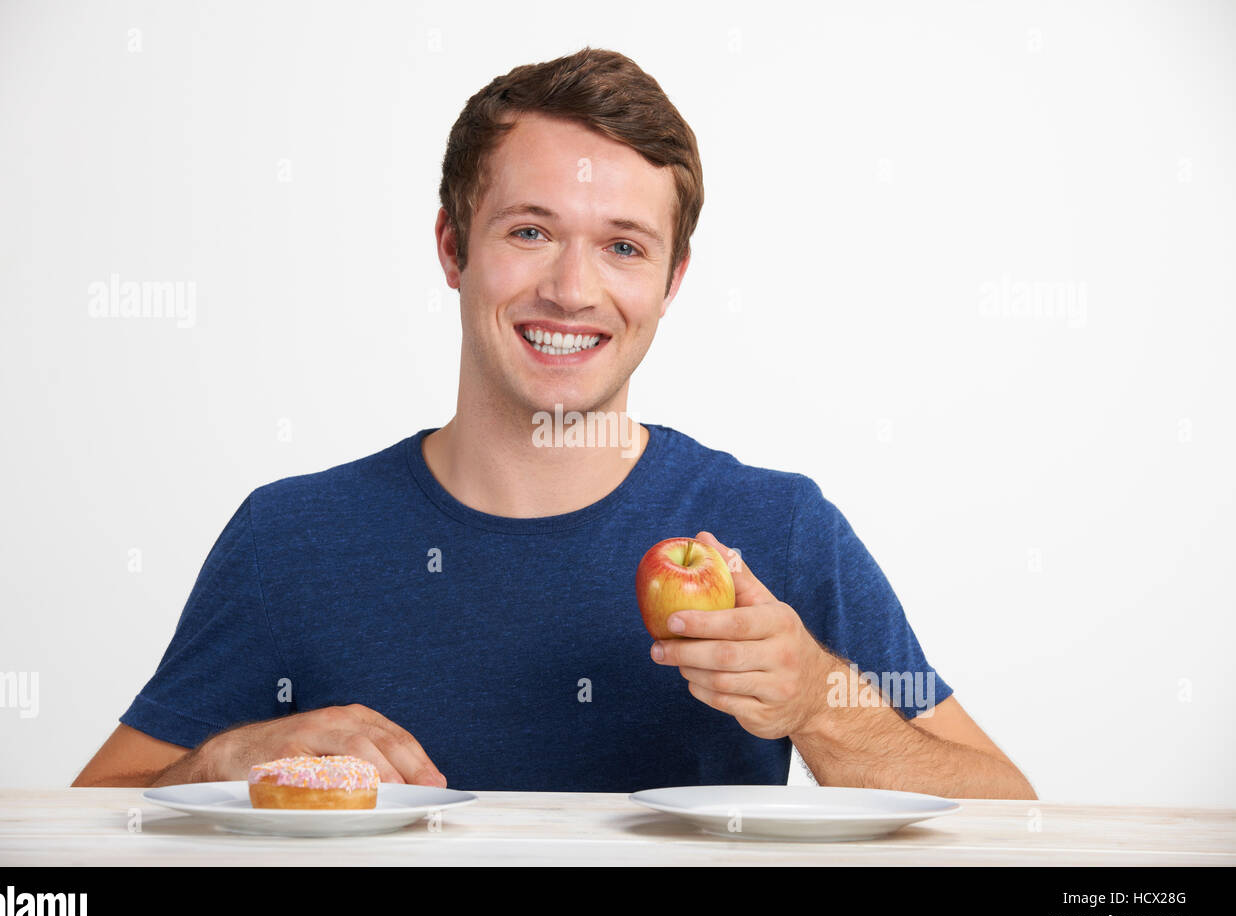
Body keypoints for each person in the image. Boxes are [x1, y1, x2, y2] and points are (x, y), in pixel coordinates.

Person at [74, 47, 1035, 799]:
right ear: (453, 245)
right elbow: (84, 819)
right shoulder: (289, 540)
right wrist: (227, 759)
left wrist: (819, 700)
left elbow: (1009, 812)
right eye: (529, 231)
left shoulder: (775, 530)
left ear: (671, 283)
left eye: (623, 246)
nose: (572, 291)